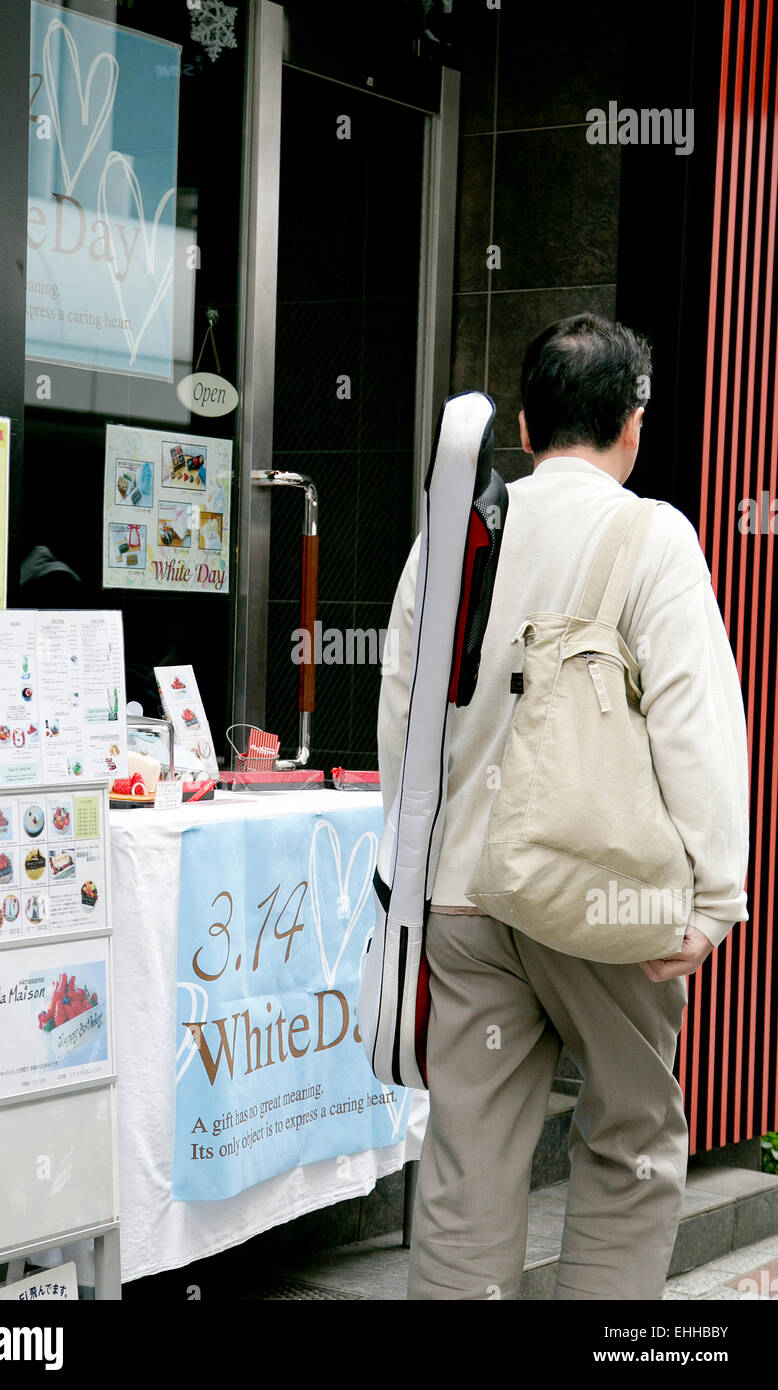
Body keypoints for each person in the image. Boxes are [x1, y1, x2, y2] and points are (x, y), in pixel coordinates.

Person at [377, 313, 750, 1300]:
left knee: (466, 1163)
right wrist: (711, 895)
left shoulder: (449, 542)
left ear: (528, 423)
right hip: (604, 903)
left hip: (462, 898)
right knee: (628, 1140)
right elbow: (693, 720)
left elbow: (402, 715)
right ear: (631, 422)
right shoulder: (652, 535)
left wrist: (414, 870)